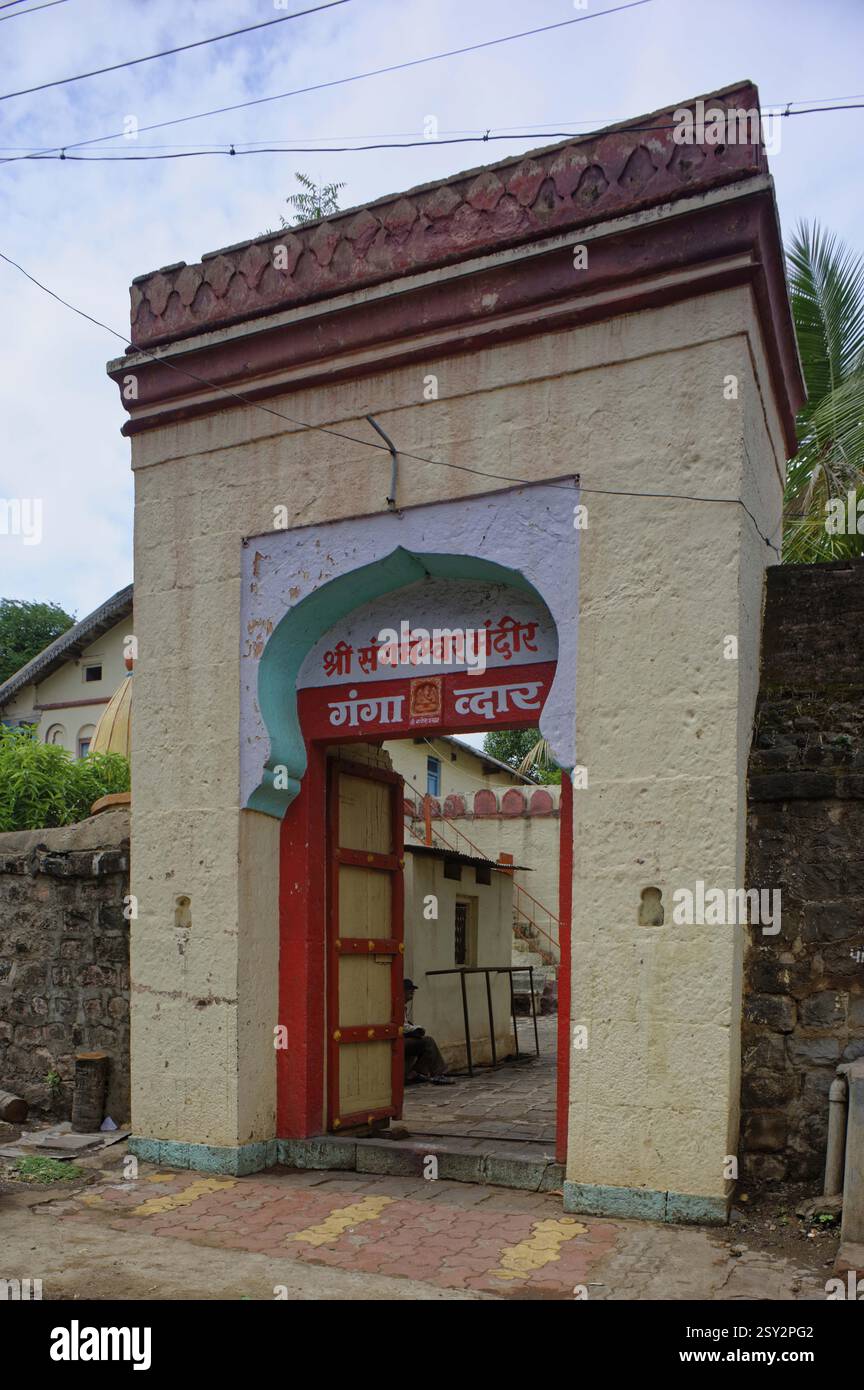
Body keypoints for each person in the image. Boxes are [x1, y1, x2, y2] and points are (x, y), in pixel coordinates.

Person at [402, 979, 454, 1085]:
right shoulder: (397, 1006)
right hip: (398, 1040)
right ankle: (438, 1073)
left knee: (424, 1043)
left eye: (413, 990)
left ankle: (415, 1073)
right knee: (428, 1042)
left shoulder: (403, 1007)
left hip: (403, 1037)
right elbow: (403, 1026)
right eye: (409, 990)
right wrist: (415, 1029)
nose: (412, 993)